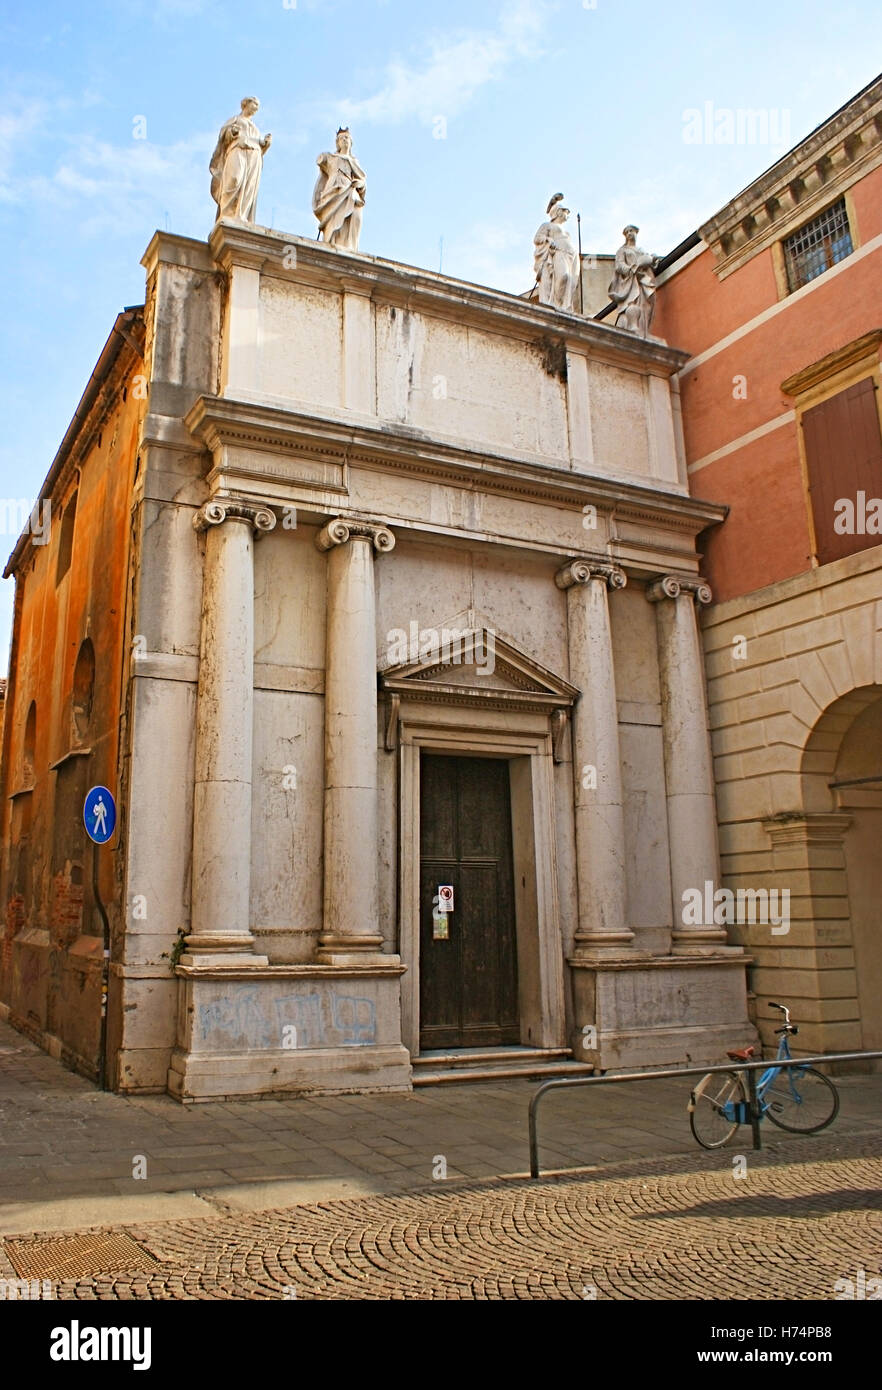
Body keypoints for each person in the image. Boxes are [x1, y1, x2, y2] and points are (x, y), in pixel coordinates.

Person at [209, 97, 272, 224]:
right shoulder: (235, 120)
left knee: (248, 185)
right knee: (234, 179)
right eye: (255, 104)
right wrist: (231, 132)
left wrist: (265, 144)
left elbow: (259, 144)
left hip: (254, 156)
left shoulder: (255, 127)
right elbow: (224, 135)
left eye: (258, 106)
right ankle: (227, 214)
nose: (256, 108)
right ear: (246, 104)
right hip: (237, 150)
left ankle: (241, 216)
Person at [312, 128, 367, 251]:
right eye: (341, 138)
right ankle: (331, 245)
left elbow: (362, 180)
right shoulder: (331, 157)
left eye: (347, 138)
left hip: (350, 192)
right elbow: (321, 161)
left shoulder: (354, 161)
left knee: (355, 217)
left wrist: (360, 183)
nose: (344, 140)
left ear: (351, 142)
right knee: (333, 223)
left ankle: (349, 247)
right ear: (338, 143)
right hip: (334, 192)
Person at [608, 225, 658, 337]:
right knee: (633, 303)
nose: (629, 233)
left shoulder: (641, 250)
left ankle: (644, 330)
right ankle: (635, 328)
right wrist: (631, 269)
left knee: (646, 306)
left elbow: (650, 263)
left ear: (636, 233)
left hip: (645, 280)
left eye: (631, 231)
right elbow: (619, 265)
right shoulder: (622, 250)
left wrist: (653, 259)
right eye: (627, 232)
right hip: (631, 280)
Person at [533, 193, 579, 312]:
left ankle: (563, 306)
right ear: (558, 212)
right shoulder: (548, 225)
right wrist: (548, 240)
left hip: (571, 256)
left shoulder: (566, 231)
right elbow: (537, 238)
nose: (567, 215)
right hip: (558, 253)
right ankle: (556, 305)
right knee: (564, 277)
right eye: (566, 212)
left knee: (571, 281)